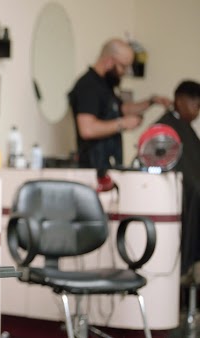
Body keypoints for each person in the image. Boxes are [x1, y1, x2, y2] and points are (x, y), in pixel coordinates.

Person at [68, 38, 171, 182]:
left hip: (108, 168)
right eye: (123, 67)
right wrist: (122, 123)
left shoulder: (105, 85)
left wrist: (151, 101)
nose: (124, 72)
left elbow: (122, 109)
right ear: (110, 61)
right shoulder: (88, 86)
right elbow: (87, 129)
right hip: (93, 170)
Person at [152, 80, 200, 281]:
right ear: (180, 101)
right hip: (178, 200)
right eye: (196, 105)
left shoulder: (186, 128)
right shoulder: (165, 128)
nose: (197, 112)